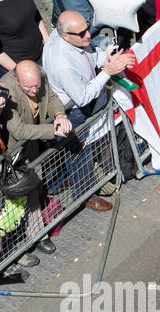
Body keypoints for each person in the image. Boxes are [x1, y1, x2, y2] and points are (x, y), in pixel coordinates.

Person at [42, 10, 134, 208]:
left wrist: (108, 60)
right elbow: (82, 97)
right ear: (65, 35)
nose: (88, 35)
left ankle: (64, 181)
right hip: (75, 111)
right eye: (82, 33)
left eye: (86, 29)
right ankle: (85, 194)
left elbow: (90, 55)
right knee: (79, 154)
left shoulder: (68, 39)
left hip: (75, 104)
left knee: (72, 153)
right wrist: (107, 72)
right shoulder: (63, 65)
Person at [0, 58, 68, 253]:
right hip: (16, 151)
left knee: (35, 188)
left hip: (34, 143)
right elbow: (18, 131)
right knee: (28, 194)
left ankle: (33, 227)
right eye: (29, 87)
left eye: (37, 85)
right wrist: (52, 130)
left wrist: (59, 115)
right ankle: (38, 235)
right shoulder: (8, 91)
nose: (35, 90)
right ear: (16, 80)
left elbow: (52, 97)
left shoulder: (39, 76)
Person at [0, 0, 49, 81]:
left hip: (40, 55)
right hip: (13, 66)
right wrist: (20, 72)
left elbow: (35, 15)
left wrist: (48, 45)